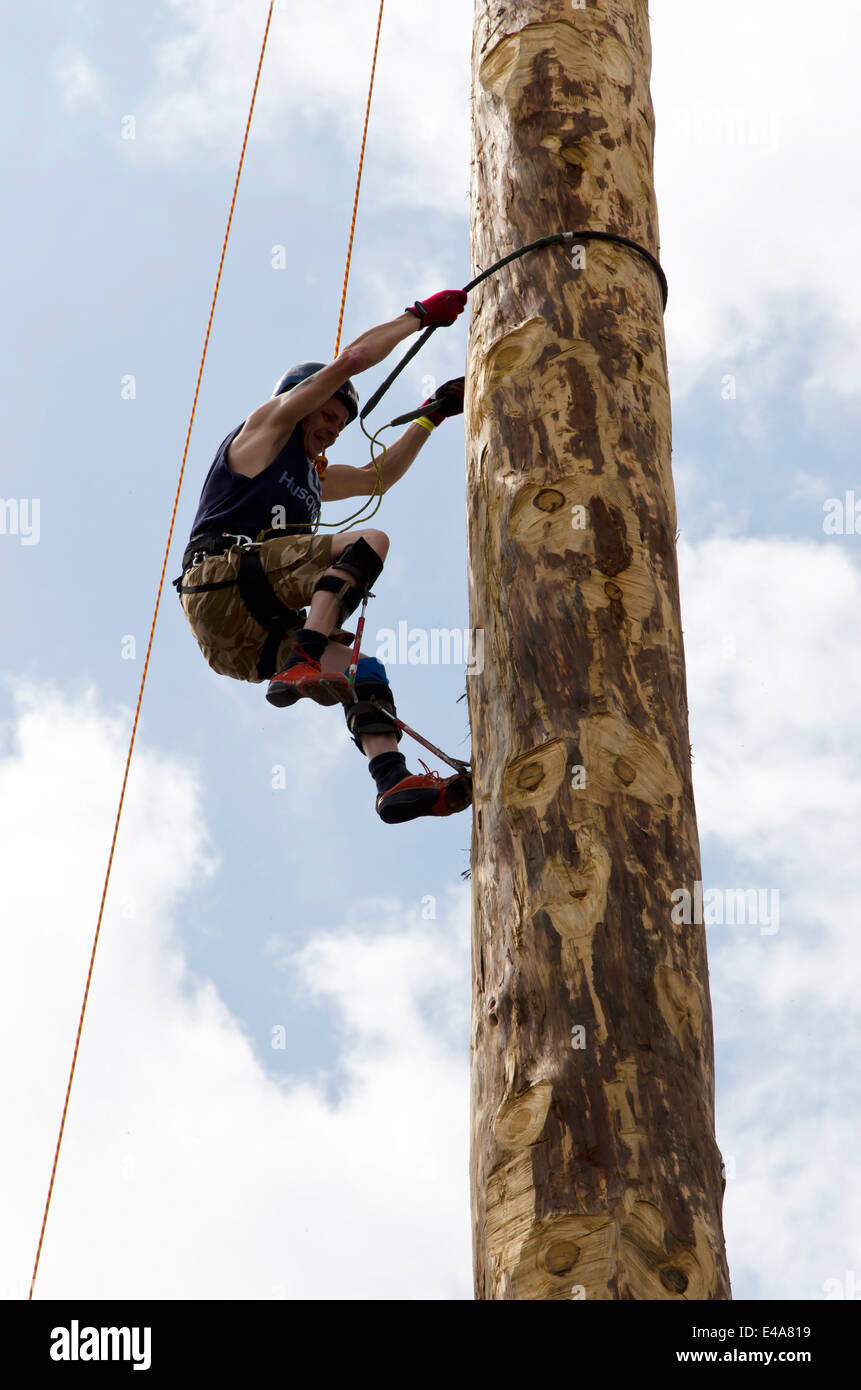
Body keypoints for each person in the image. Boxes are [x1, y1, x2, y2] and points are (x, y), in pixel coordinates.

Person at [173, 289, 472, 824]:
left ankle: (392, 781)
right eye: (328, 414)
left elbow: (381, 476)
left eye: (341, 423)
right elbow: (353, 360)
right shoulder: (265, 430)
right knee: (369, 541)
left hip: (242, 644)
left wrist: (433, 414)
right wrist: (417, 317)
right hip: (219, 578)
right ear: (302, 399)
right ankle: (309, 649)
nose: (334, 427)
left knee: (363, 671)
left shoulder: (315, 475)